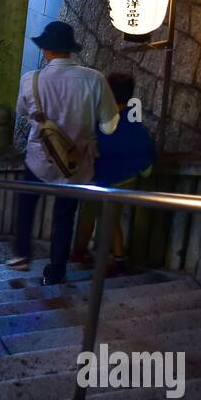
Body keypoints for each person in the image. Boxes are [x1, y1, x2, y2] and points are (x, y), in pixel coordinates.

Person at [10, 21, 119, 286]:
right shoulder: (95, 79)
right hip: (76, 164)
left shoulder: (31, 80)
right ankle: (56, 270)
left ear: (46, 50)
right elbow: (110, 124)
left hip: (39, 161)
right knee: (65, 216)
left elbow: (23, 113)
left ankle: (22, 254)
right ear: (70, 49)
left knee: (26, 205)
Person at [70, 71, 155, 276]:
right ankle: (103, 256)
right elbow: (146, 148)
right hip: (126, 179)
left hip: (101, 179)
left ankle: (102, 256)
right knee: (109, 218)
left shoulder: (103, 118)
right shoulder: (133, 121)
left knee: (98, 216)